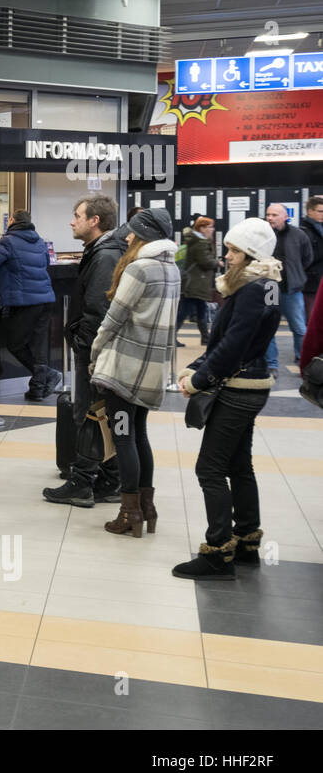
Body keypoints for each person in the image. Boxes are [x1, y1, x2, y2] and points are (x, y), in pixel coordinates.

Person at [173, 218, 282, 580]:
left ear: (252, 255)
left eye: (235, 251)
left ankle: (218, 553)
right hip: (252, 385)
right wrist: (196, 366)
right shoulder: (267, 284)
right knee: (239, 465)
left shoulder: (252, 289)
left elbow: (234, 345)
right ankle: (247, 541)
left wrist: (200, 379)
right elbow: (232, 342)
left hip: (238, 388)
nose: (227, 256)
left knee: (210, 468)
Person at [89, 207, 181, 539]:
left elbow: (114, 318)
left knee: (122, 437)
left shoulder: (139, 268)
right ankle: (146, 507)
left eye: (133, 232)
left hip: (124, 369)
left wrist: (95, 352)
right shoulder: (173, 269)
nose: (127, 237)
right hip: (151, 368)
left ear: (144, 236)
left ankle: (129, 513)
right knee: (139, 435)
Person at [44, 196, 127, 507]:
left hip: (94, 350)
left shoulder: (104, 256)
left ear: (95, 221)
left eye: (77, 215)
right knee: (98, 413)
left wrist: (84, 345)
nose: (72, 221)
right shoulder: (103, 251)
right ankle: (109, 479)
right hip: (97, 347)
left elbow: (98, 308)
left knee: (89, 413)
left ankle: (83, 482)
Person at [0, 210, 60, 400]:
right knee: (38, 345)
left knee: (14, 343)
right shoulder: (40, 242)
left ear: (11, 221)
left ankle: (49, 375)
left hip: (24, 301)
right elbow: (46, 264)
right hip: (46, 299)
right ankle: (37, 388)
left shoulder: (7, 241)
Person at [263, 203, 313, 375]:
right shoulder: (263, 235)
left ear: (285, 217)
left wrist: (296, 274)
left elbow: (307, 258)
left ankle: (302, 360)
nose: (270, 218)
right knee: (268, 328)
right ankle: (271, 364)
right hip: (270, 288)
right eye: (268, 214)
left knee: (299, 327)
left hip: (291, 289)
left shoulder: (299, 235)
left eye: (274, 215)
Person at [176, 216, 217, 346]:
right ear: (202, 228)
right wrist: (217, 263)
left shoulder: (197, 240)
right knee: (185, 311)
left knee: (200, 309)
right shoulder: (200, 243)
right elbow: (205, 262)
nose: (212, 229)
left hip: (195, 282)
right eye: (210, 227)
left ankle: (205, 337)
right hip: (195, 283)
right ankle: (171, 336)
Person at [301, 195, 323, 317]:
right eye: (320, 211)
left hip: (319, 280)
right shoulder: (304, 231)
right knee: (312, 317)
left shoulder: (320, 227)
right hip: (311, 283)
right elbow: (307, 257)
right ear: (310, 211)